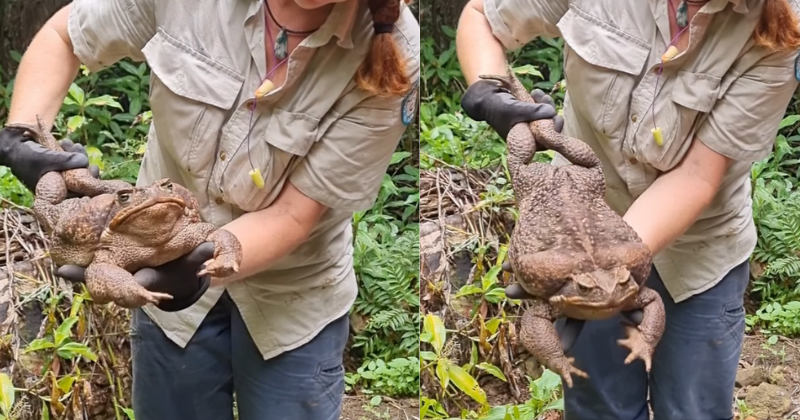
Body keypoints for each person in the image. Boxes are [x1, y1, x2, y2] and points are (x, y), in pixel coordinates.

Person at [0, 0, 420, 418]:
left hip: (292, 299)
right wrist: (22, 139)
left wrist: (196, 261)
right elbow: (66, 37)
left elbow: (294, 214)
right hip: (157, 272)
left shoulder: (393, 49)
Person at [455, 0, 800, 419]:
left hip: (699, 253)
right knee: (600, 409)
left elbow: (696, 175)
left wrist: (599, 267)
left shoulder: (782, 27)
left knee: (693, 410)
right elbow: (482, 17)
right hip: (570, 227)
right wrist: (495, 95)